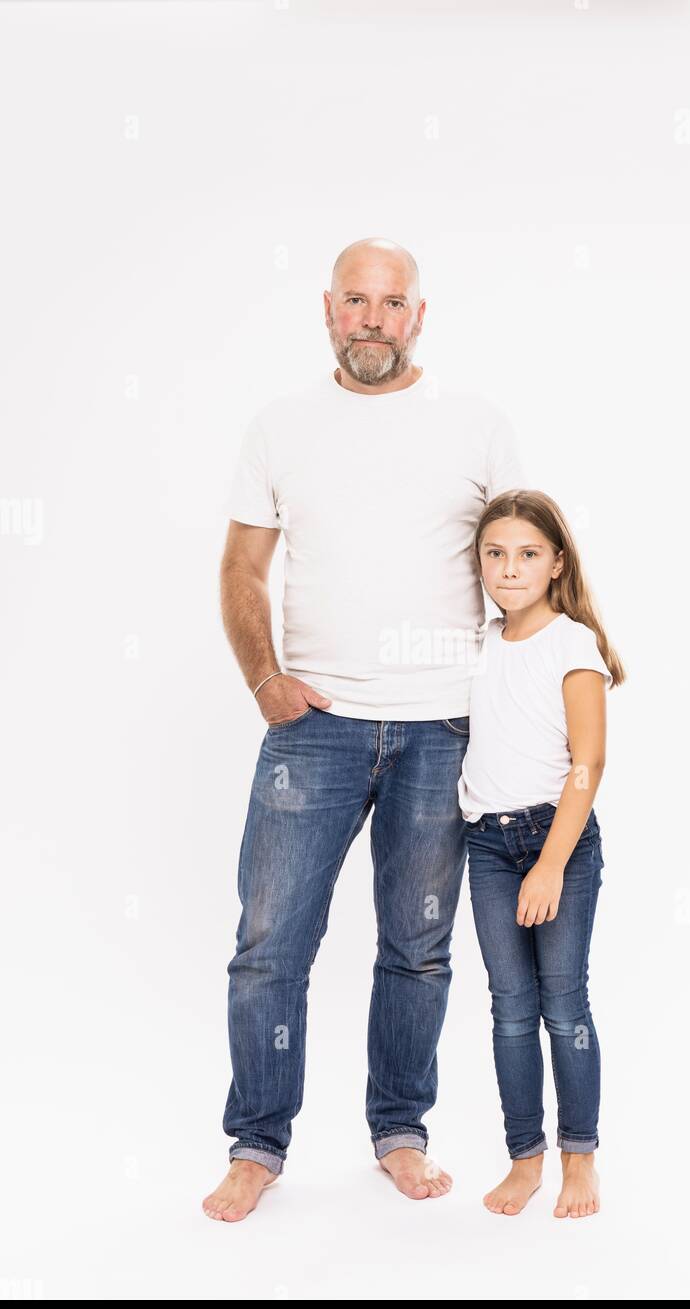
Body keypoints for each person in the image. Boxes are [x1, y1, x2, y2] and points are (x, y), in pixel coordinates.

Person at [202, 237, 527, 1221]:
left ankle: (398, 1128)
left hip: (440, 727)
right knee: (268, 944)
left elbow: (521, 567)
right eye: (356, 300)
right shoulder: (280, 426)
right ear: (328, 310)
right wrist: (264, 677)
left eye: (392, 302)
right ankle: (256, 1143)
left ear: (417, 317)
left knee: (419, 948)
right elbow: (240, 568)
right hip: (315, 729)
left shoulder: (474, 425)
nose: (372, 318)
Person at [457, 489, 625, 1218]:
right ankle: (524, 1159)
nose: (509, 568)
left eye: (527, 554)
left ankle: (578, 1159)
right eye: (495, 554)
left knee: (564, 1003)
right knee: (510, 1009)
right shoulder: (476, 643)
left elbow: (588, 763)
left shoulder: (571, 642)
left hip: (557, 839)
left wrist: (552, 863)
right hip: (489, 845)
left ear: (556, 562)